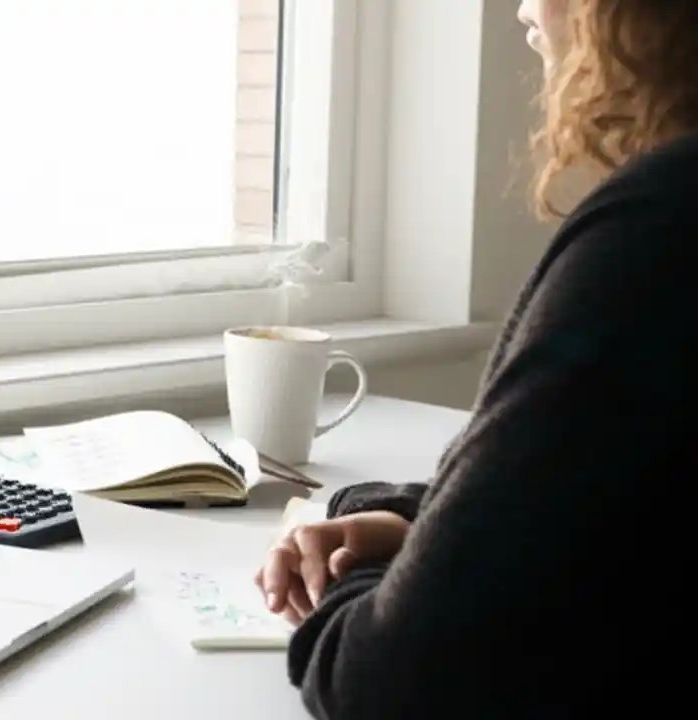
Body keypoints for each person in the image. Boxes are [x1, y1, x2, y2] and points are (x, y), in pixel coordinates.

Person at [255, 0, 697, 716]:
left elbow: (396, 681)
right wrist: (411, 526)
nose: (523, 8)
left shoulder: (664, 232)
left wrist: (358, 577)